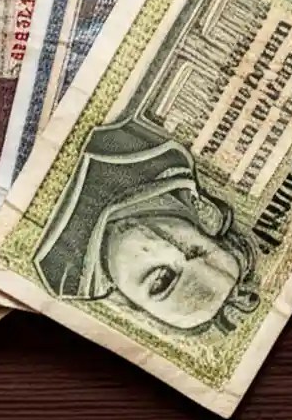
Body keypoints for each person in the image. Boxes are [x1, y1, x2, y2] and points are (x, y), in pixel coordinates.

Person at [35, 118, 259, 334]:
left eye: (161, 280)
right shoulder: (167, 157)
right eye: (195, 248)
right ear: (208, 223)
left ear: (131, 304)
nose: (166, 246)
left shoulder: (59, 274)